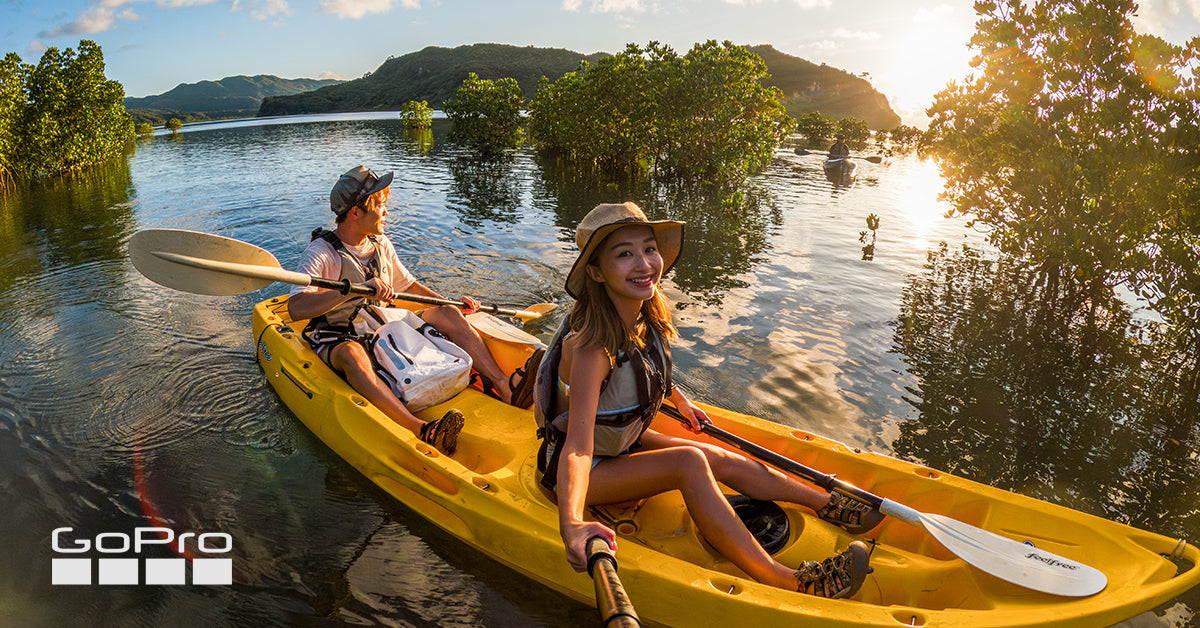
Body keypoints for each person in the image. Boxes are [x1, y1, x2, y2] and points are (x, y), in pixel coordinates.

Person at [533, 202, 879, 598]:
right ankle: (786, 579)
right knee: (690, 462)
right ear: (595, 272)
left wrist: (679, 399)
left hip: (618, 446)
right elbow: (577, 448)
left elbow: (641, 374)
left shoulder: (643, 318)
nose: (644, 263)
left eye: (649, 248)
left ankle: (826, 502)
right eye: (624, 254)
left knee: (716, 456)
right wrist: (571, 524)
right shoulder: (593, 348)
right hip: (578, 472)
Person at [287, 166, 539, 455]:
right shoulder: (322, 252)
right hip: (338, 333)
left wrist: (451, 303)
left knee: (446, 313)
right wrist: (350, 289)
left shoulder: (381, 244)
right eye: (380, 206)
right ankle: (420, 428)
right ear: (356, 212)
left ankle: (505, 387)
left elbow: (412, 288)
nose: (386, 212)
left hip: (381, 325)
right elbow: (296, 308)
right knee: (351, 354)